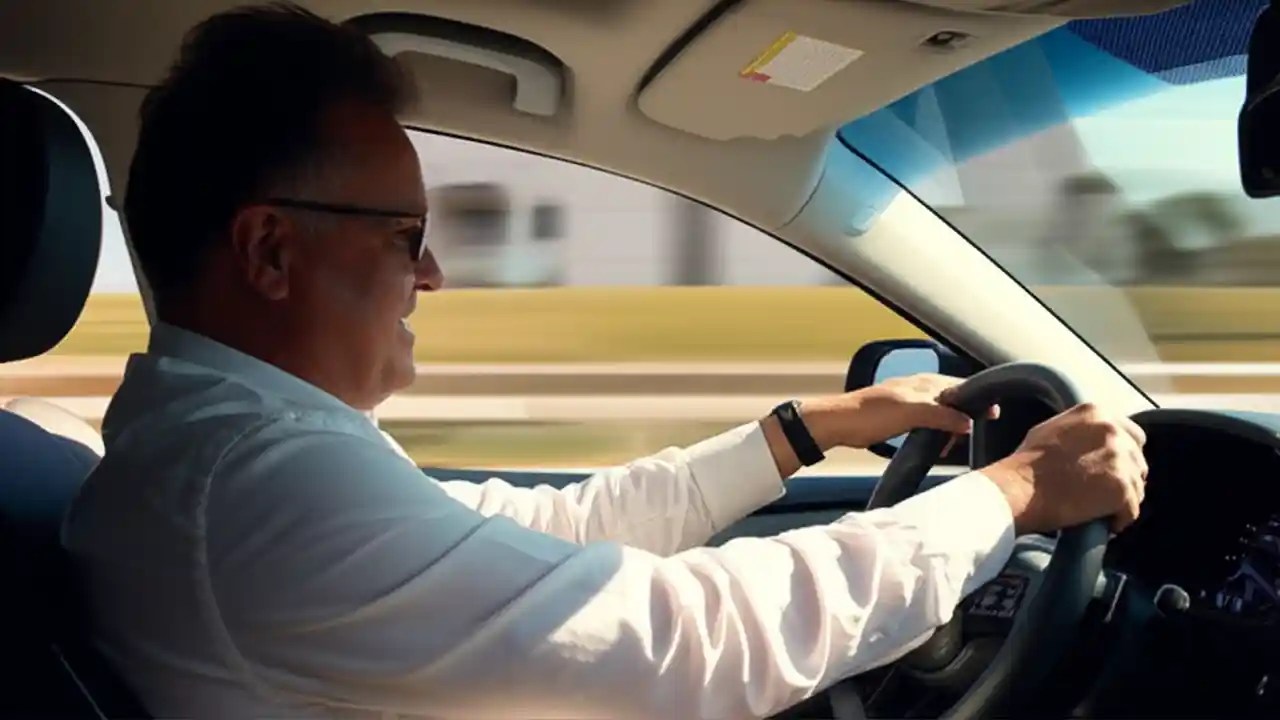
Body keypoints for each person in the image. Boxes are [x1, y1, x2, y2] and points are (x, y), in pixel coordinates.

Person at [61, 4, 1149, 719]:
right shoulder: (253, 486)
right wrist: (1008, 495)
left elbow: (530, 534)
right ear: (268, 250)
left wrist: (804, 431)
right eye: (403, 234)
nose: (430, 274)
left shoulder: (223, 451)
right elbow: (682, 642)